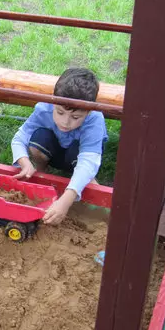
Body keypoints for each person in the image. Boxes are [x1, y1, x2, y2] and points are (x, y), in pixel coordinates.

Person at [11, 68, 107, 225]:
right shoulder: (43, 108)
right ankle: (42, 172)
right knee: (39, 138)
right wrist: (25, 163)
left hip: (77, 157)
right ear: (53, 101)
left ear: (89, 112)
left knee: (84, 165)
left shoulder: (95, 120)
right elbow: (19, 139)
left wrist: (66, 201)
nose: (65, 122)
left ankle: (90, 182)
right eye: (60, 112)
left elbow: (88, 161)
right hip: (54, 152)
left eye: (76, 117)